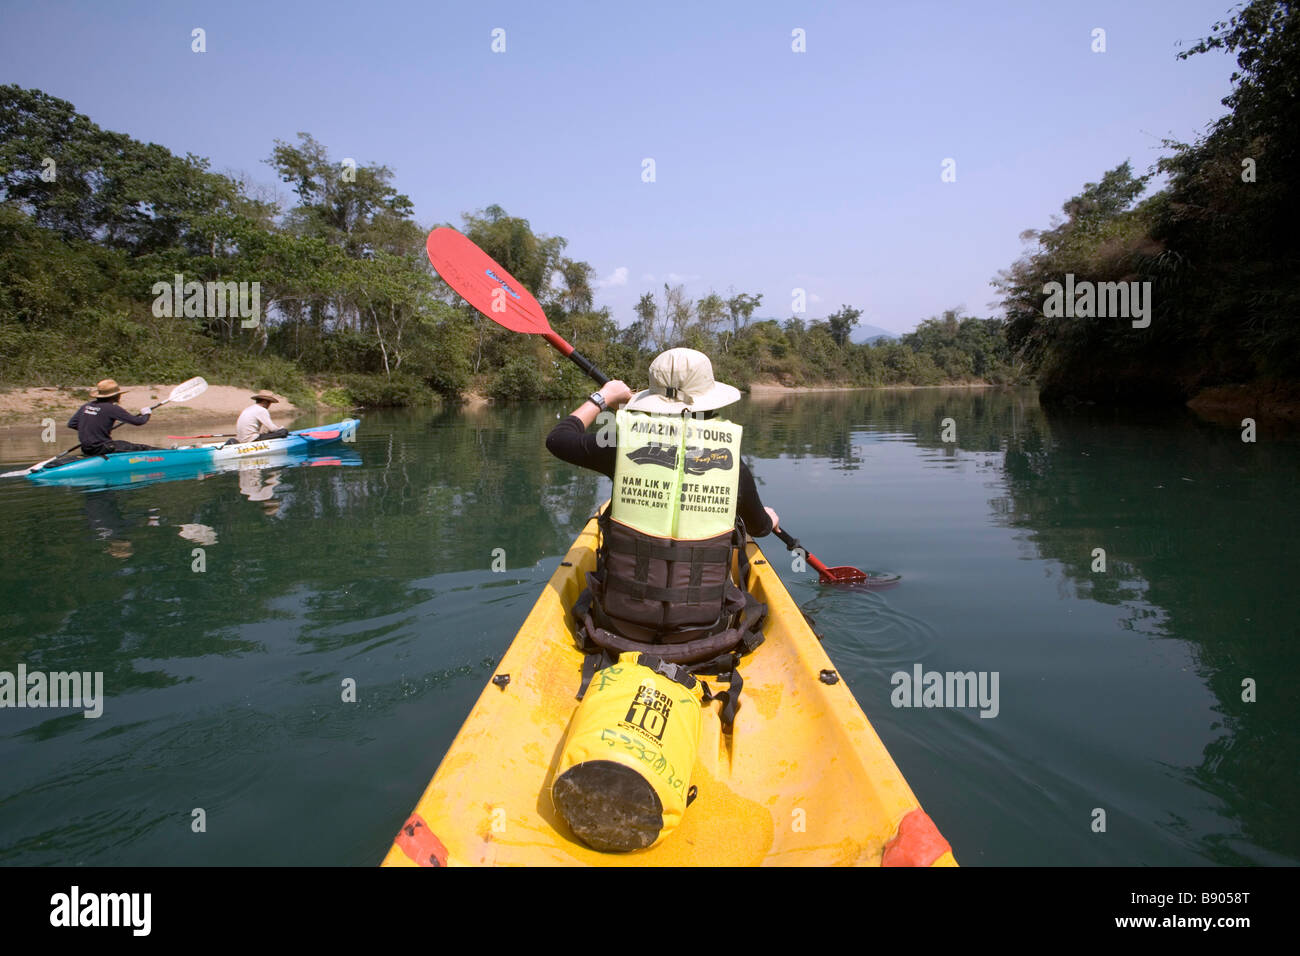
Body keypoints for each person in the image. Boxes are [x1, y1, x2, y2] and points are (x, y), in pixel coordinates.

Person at [545, 347, 779, 677]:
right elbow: (760, 526)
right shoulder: (731, 463)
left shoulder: (620, 445)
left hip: (618, 628)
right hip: (706, 632)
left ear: (652, 398)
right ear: (707, 399)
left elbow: (558, 439)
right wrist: (770, 519)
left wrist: (604, 396)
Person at [67, 379, 157, 455]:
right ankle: (169, 454)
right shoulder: (112, 408)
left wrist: (93, 432)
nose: (120, 396)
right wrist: (147, 413)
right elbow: (139, 421)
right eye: (118, 394)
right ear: (115, 396)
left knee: (123, 444)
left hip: (86, 448)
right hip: (103, 448)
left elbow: (72, 424)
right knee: (141, 448)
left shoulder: (86, 406)